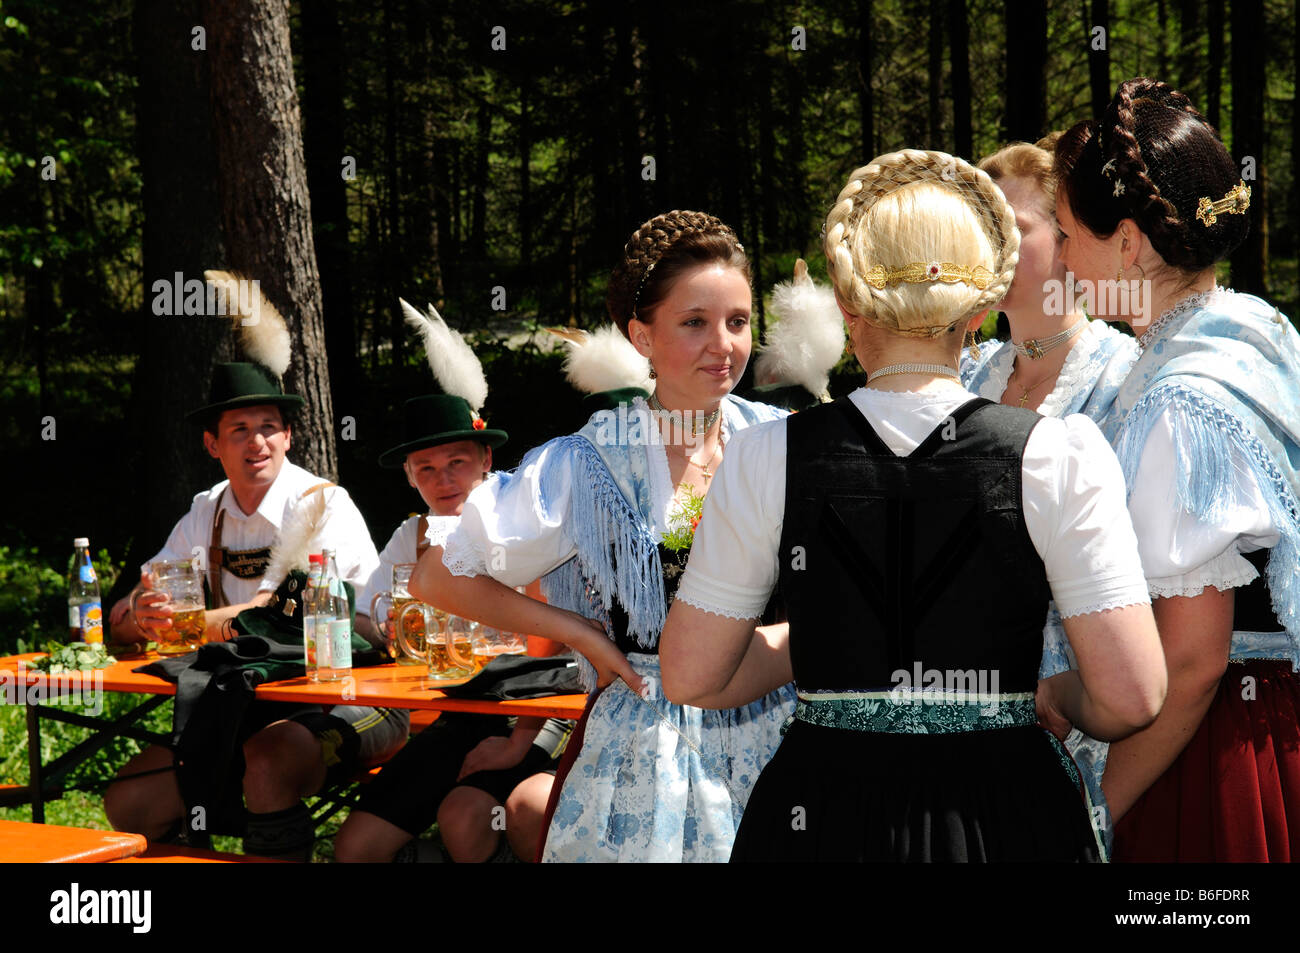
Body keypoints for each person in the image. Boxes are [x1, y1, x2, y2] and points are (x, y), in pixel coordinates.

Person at [660, 149, 1166, 862]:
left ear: (847, 302)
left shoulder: (764, 454)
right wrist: (1056, 698)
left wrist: (831, 644)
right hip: (1007, 813)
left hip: (825, 813)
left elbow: (691, 675)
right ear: (980, 304)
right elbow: (1132, 695)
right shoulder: (1061, 455)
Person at [411, 209, 796, 862]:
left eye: (737, 321)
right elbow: (436, 574)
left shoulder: (781, 438)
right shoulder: (593, 461)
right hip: (654, 745)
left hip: (783, 731)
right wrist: (579, 631)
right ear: (642, 336)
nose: (724, 344)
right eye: (695, 322)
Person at [1054, 77, 1300, 861]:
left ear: (1128, 243)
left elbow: (1192, 660)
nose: (1059, 256)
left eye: (1066, 235)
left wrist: (1092, 815)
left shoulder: (1183, 400)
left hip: (1208, 751)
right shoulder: (1252, 330)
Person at [104, 357, 402, 860]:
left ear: (288, 436)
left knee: (264, 762)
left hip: (354, 698)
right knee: (128, 803)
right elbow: (123, 614)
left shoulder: (323, 504)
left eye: (268, 427)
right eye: (239, 429)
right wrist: (140, 615)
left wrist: (183, 626)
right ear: (212, 444)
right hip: (247, 703)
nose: (256, 442)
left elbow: (270, 619)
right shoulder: (208, 510)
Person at [336, 300, 572, 864]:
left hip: (539, 707)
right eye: (426, 469)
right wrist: (389, 622)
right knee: (354, 847)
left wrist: (518, 737)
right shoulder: (414, 534)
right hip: (459, 709)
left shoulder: (527, 519)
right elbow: (367, 616)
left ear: (487, 456)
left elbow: (553, 640)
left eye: (457, 462)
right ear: (410, 476)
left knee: (466, 817)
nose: (443, 480)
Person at [961, 138, 1141, 840]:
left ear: (1068, 242)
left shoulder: (1123, 376)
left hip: (1084, 708)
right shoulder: (967, 375)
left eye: (1014, 228)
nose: (992, 249)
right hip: (963, 699)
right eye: (980, 232)